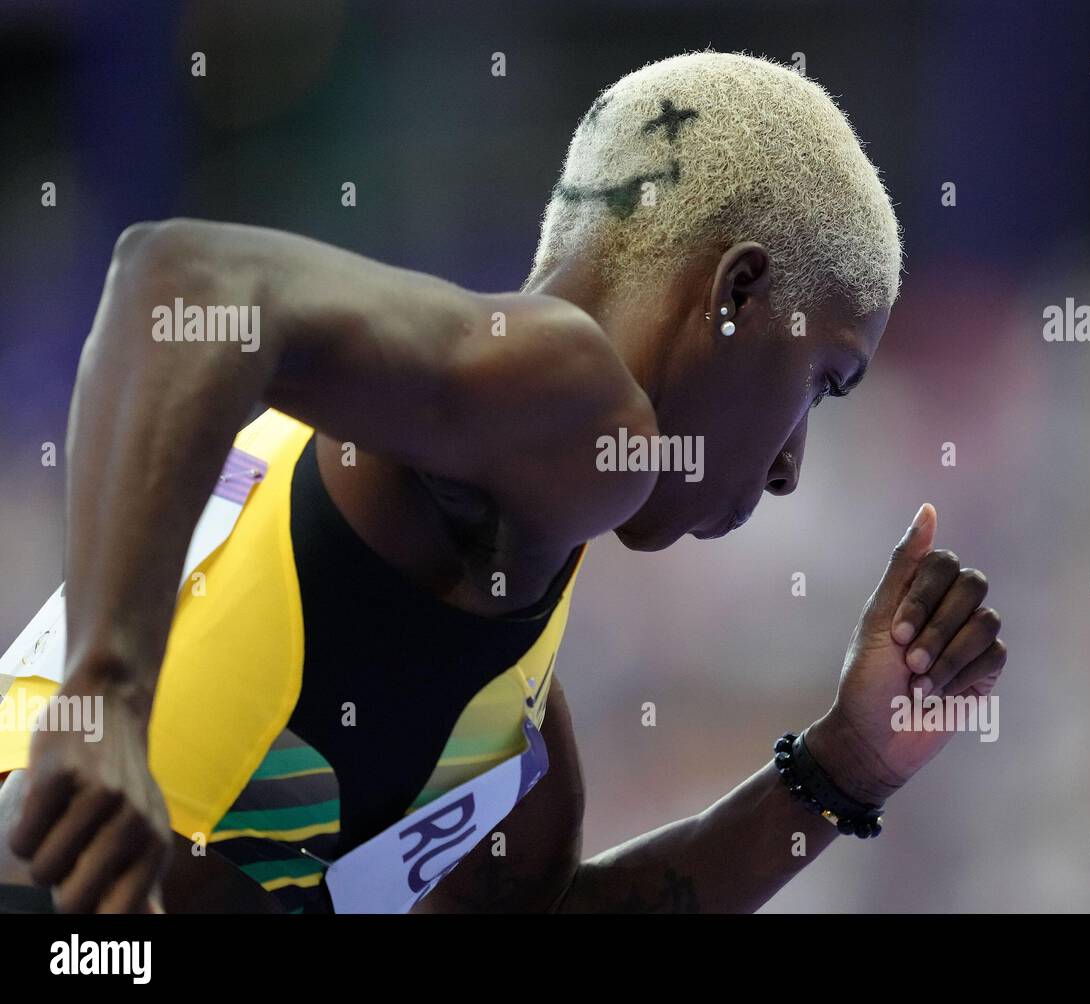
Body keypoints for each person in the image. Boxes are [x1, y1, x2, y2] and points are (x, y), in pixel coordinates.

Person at [0, 51, 1005, 913]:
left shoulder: (506, 666)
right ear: (736, 294)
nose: (789, 468)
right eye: (823, 382)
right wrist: (104, 700)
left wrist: (848, 764)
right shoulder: (570, 393)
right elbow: (176, 279)